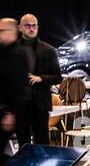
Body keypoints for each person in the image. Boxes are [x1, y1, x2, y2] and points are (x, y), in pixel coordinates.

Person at [0, 18, 30, 166]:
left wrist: (10, 113)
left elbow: (17, 86)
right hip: (3, 111)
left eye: (0, 30)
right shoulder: (3, 53)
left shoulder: (15, 55)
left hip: (9, 112)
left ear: (11, 32)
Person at [15, 13, 62, 146]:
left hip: (40, 104)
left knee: (42, 141)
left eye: (34, 25)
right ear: (20, 28)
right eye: (28, 25)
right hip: (20, 104)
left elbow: (58, 77)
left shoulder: (48, 50)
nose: (31, 28)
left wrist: (40, 78)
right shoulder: (13, 50)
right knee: (22, 141)